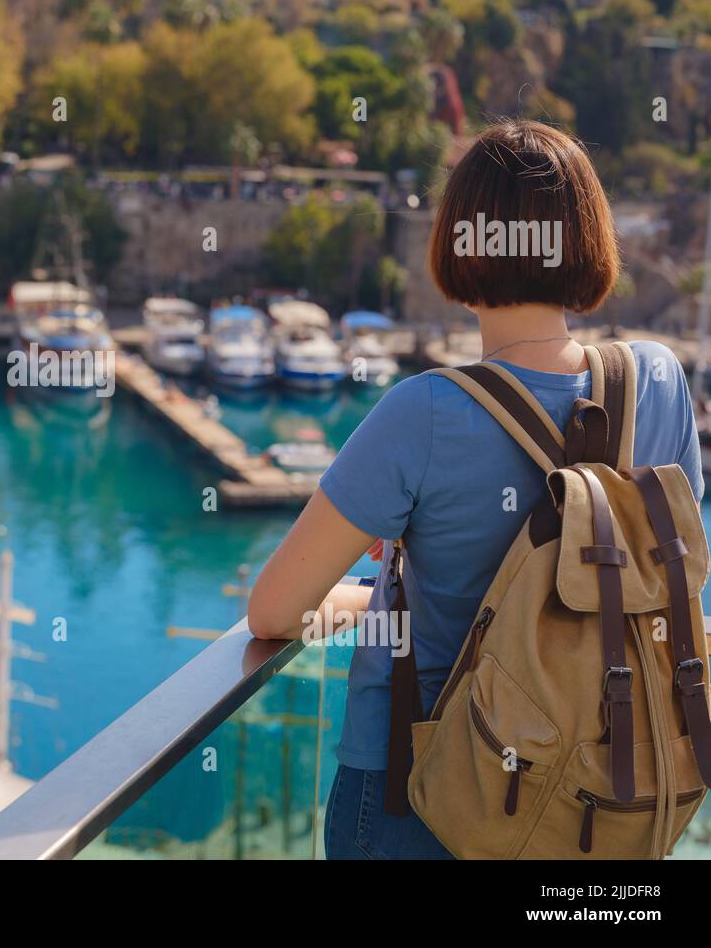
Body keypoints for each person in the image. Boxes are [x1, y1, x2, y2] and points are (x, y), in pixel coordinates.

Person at [246, 119, 704, 860]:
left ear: (461, 243)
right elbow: (675, 575)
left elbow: (272, 612)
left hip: (426, 788)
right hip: (603, 784)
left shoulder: (422, 413)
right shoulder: (657, 381)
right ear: (587, 238)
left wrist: (368, 599)